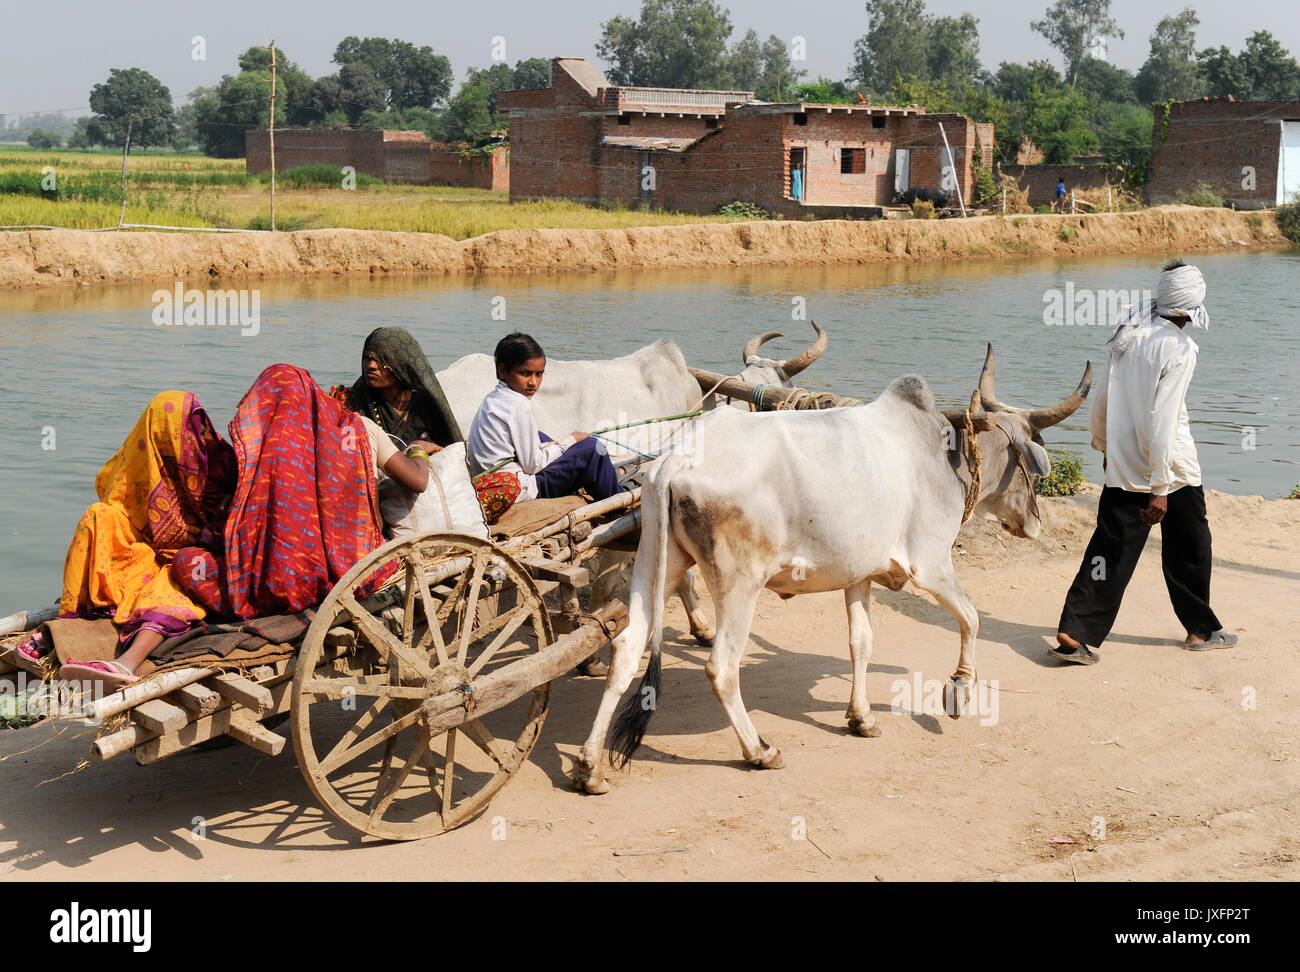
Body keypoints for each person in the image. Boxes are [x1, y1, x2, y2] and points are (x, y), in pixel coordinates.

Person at [1050, 259, 1236, 666]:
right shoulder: (1180, 347)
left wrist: (1105, 449)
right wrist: (1160, 488)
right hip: (1172, 471)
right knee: (1191, 548)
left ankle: (1075, 630)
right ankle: (1200, 631)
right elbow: (1164, 421)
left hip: (1124, 465)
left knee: (1109, 551)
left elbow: (1103, 400)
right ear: (1191, 309)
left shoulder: (1129, 334)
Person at [24, 392, 238, 688]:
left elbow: (237, 522)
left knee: (170, 587)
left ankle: (126, 663)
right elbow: (118, 498)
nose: (192, 438)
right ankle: (69, 624)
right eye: (181, 432)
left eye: (194, 428)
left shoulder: (221, 461)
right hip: (151, 548)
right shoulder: (145, 453)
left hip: (197, 556)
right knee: (99, 516)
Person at [467, 333, 624, 504]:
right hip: (520, 490)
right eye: (525, 373)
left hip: (494, 482)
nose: (533, 382)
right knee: (594, 448)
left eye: (539, 374)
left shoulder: (492, 398)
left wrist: (554, 446)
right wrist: (570, 440)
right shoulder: (519, 405)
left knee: (540, 436)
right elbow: (532, 466)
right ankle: (616, 501)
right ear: (502, 370)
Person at [334, 326, 462, 458]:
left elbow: (454, 455)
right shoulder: (348, 402)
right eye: (368, 357)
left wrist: (431, 448)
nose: (371, 365)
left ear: (402, 365)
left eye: (381, 359)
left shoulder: (427, 407)